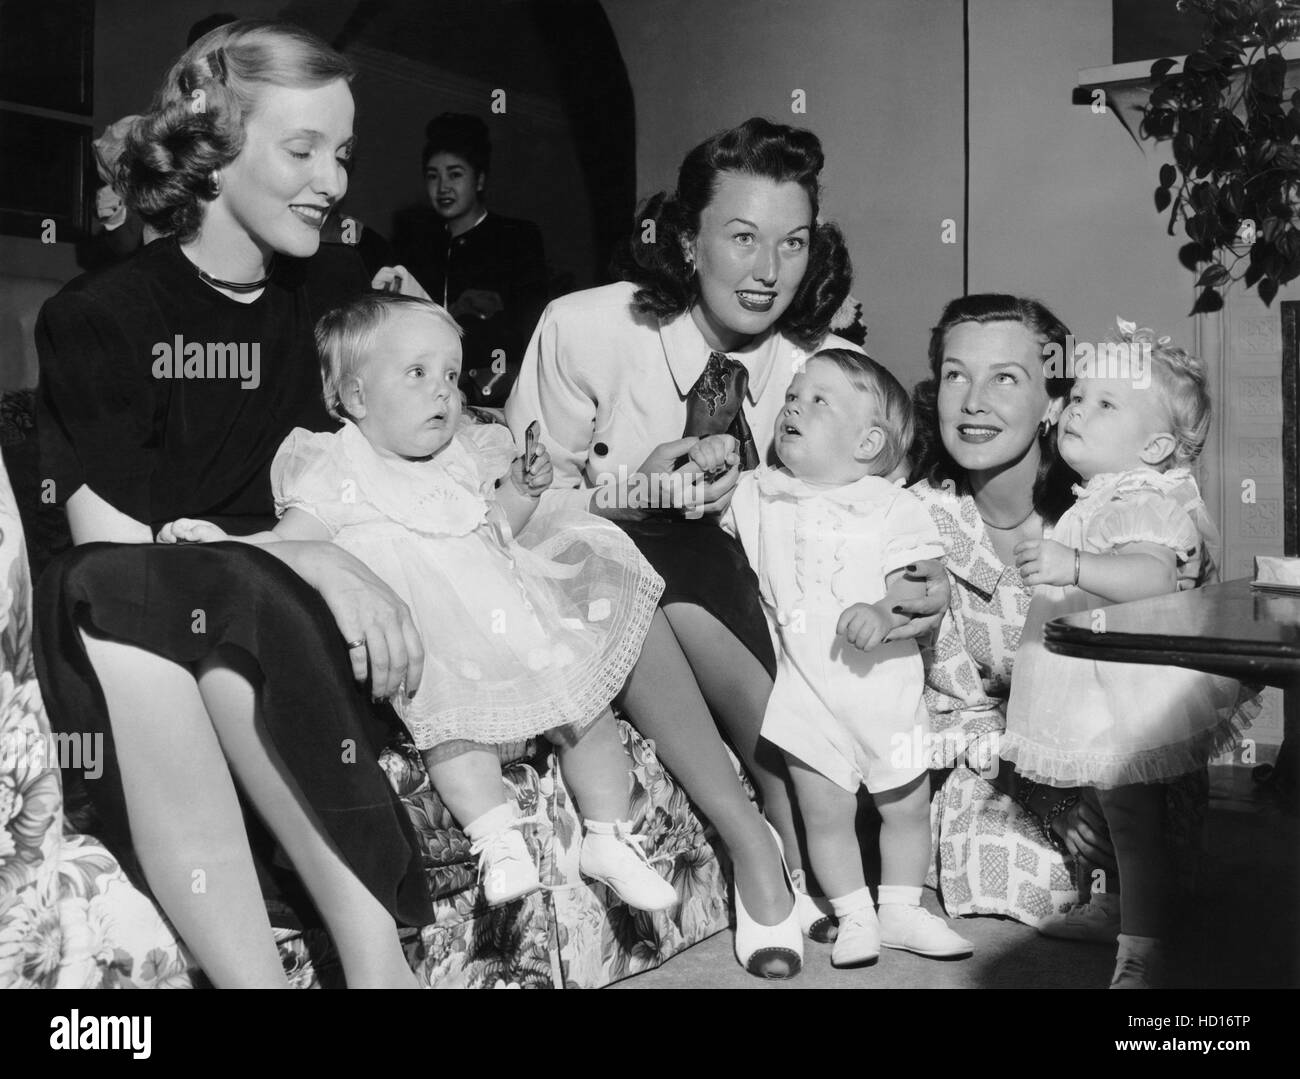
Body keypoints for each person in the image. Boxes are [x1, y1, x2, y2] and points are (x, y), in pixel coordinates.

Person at [34, 20, 434, 988]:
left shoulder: (328, 302)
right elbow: (120, 557)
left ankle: (377, 959)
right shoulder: (100, 317)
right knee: (161, 591)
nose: (333, 181)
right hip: (133, 649)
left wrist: (316, 546)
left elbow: (347, 477)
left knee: (231, 597)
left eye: (340, 154)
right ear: (212, 150)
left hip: (281, 637)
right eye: (301, 150)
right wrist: (313, 555)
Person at [506, 117, 951, 978]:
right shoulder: (582, 329)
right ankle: (758, 842)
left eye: (792, 243)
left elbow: (876, 515)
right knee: (623, 550)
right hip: (605, 574)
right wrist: (635, 486)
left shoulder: (830, 369)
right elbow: (520, 506)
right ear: (685, 238)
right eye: (741, 238)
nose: (767, 271)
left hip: (758, 614)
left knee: (681, 555)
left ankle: (792, 826)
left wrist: (918, 586)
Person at [159, 294, 677, 914]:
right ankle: (497, 838)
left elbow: (493, 533)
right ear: (355, 398)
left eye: (453, 376)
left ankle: (608, 837)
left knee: (587, 709)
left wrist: (519, 490)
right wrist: (225, 543)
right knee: (454, 731)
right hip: (440, 647)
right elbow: (291, 543)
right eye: (418, 374)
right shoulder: (340, 465)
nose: (444, 393)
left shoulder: (459, 458)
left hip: (513, 620)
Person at [1001, 321, 1256, 988]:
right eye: (1078, 396)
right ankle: (1118, 907)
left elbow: (1155, 577)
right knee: (1110, 807)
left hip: (1128, 688)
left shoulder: (1145, 499)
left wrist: (1072, 561)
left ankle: (1142, 948)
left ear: (1157, 445)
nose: (1078, 409)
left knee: (1132, 818)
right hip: (1093, 682)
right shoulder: (1103, 496)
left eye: (1106, 403)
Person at [720, 349, 973, 968]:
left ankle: (903, 910)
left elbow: (927, 584)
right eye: (793, 397)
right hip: (805, 693)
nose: (793, 409)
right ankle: (854, 913)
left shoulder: (892, 506)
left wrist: (887, 612)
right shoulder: (759, 494)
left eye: (817, 402)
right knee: (825, 812)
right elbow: (703, 524)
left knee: (907, 806)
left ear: (867, 443)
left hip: (884, 689)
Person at [908, 294, 1118, 930]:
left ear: (1054, 402)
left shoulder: (1104, 519)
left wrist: (1086, 795)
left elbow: (1145, 693)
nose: (973, 402)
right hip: (993, 769)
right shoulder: (913, 521)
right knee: (1021, 874)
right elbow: (943, 710)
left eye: (1005, 377)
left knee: (1128, 863)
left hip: (1114, 767)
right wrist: (1042, 797)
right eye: (955, 374)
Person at [393, 113, 548, 408]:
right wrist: (454, 310)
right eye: (432, 176)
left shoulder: (517, 237)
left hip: (497, 396)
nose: (442, 188)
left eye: (455, 174)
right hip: (427, 393)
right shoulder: (418, 246)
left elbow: (533, 325)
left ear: (479, 180)